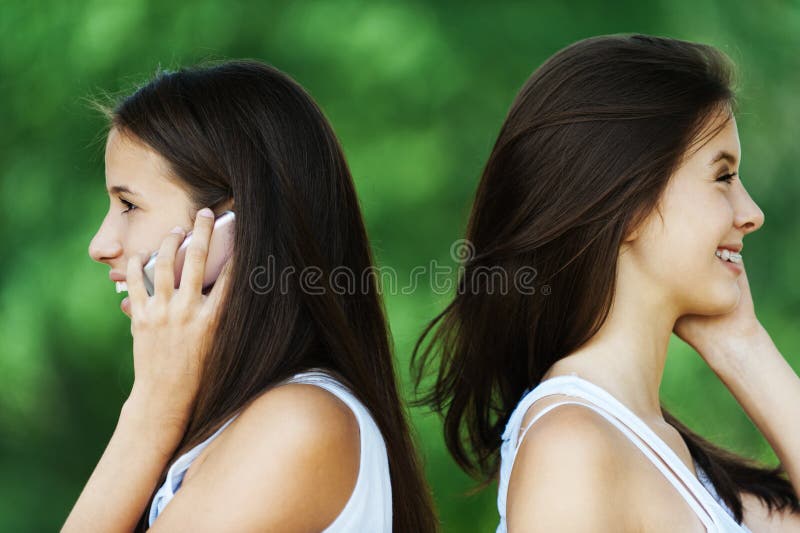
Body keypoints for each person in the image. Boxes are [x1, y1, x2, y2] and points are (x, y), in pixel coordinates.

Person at [413, 34, 800, 532]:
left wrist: (743, 347)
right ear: (631, 203)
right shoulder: (571, 445)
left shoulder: (676, 460)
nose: (752, 214)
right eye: (723, 177)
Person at [64, 60, 437, 532]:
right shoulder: (241, 419)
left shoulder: (298, 423)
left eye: (129, 205)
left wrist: (149, 414)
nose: (101, 245)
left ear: (235, 228)